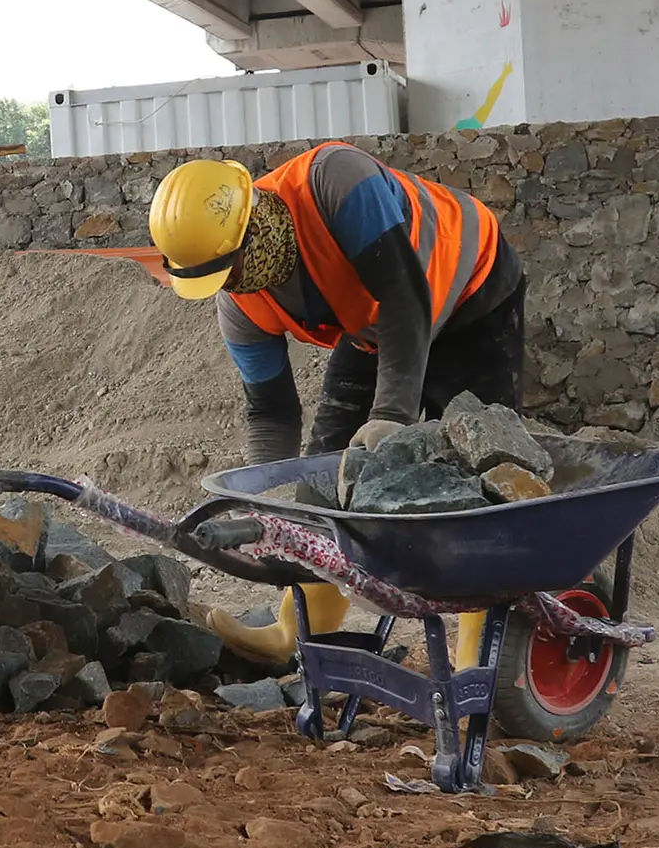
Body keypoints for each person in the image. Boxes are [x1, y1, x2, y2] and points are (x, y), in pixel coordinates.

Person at [147, 140, 526, 655]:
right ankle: (296, 633)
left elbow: (404, 296)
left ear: (252, 226)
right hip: (371, 324)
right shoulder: (240, 308)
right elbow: (270, 409)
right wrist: (265, 501)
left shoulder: (335, 180)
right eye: (218, 280)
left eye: (230, 269)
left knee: (473, 482)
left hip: (470, 290)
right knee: (323, 476)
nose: (232, 285)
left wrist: (390, 415)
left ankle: (480, 657)